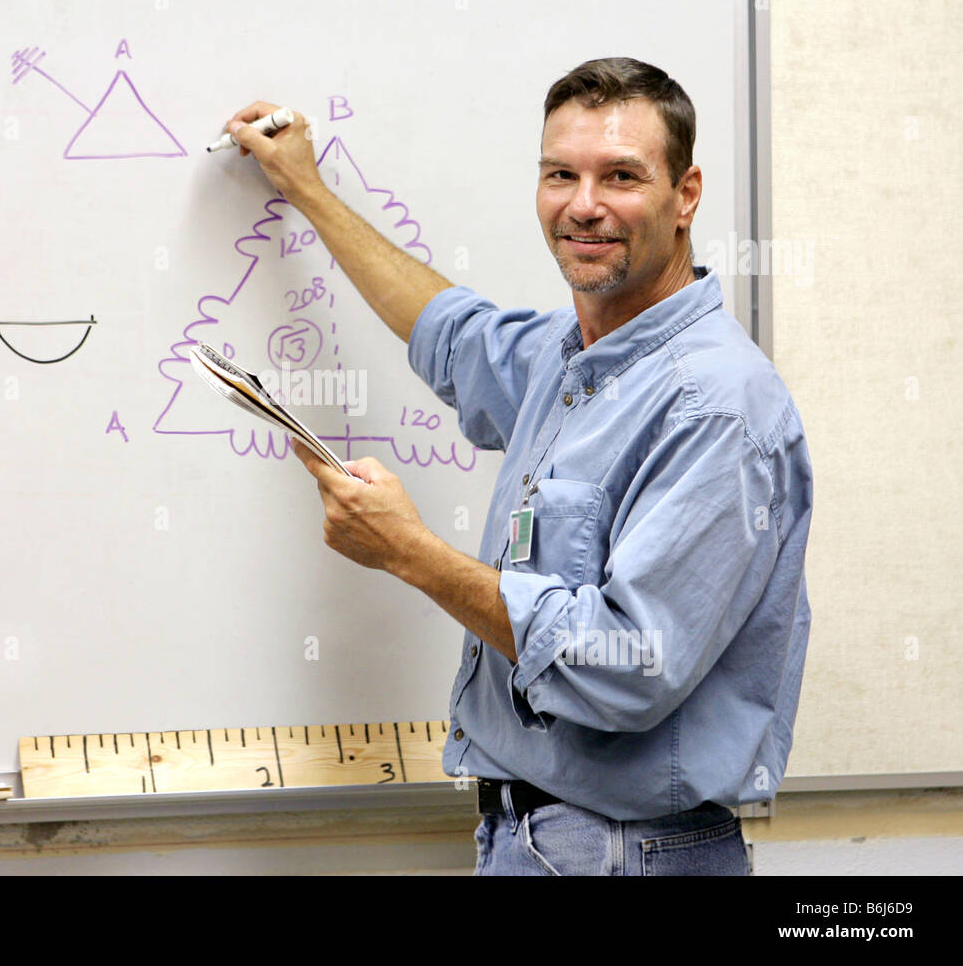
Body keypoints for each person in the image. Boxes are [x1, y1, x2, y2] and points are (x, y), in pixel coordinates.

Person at [220, 57, 812, 876]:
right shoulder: (571, 359)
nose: (583, 204)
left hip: (624, 854)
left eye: (621, 176)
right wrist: (309, 192)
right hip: (538, 840)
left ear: (687, 194)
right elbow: (449, 330)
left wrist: (411, 553)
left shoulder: (714, 406)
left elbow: (630, 664)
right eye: (559, 174)